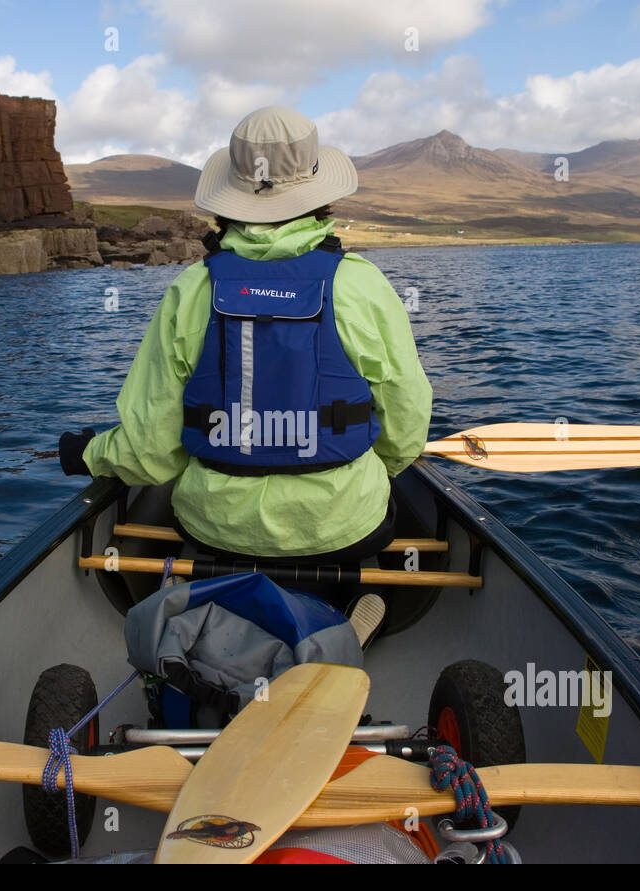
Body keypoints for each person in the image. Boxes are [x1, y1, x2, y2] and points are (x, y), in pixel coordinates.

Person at [58, 106, 431, 563]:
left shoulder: (191, 289)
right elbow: (407, 417)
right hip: (343, 525)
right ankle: (358, 611)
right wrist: (371, 468)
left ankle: (188, 591)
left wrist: (90, 453)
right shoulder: (362, 284)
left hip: (215, 528)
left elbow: (149, 450)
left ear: (229, 198)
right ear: (319, 195)